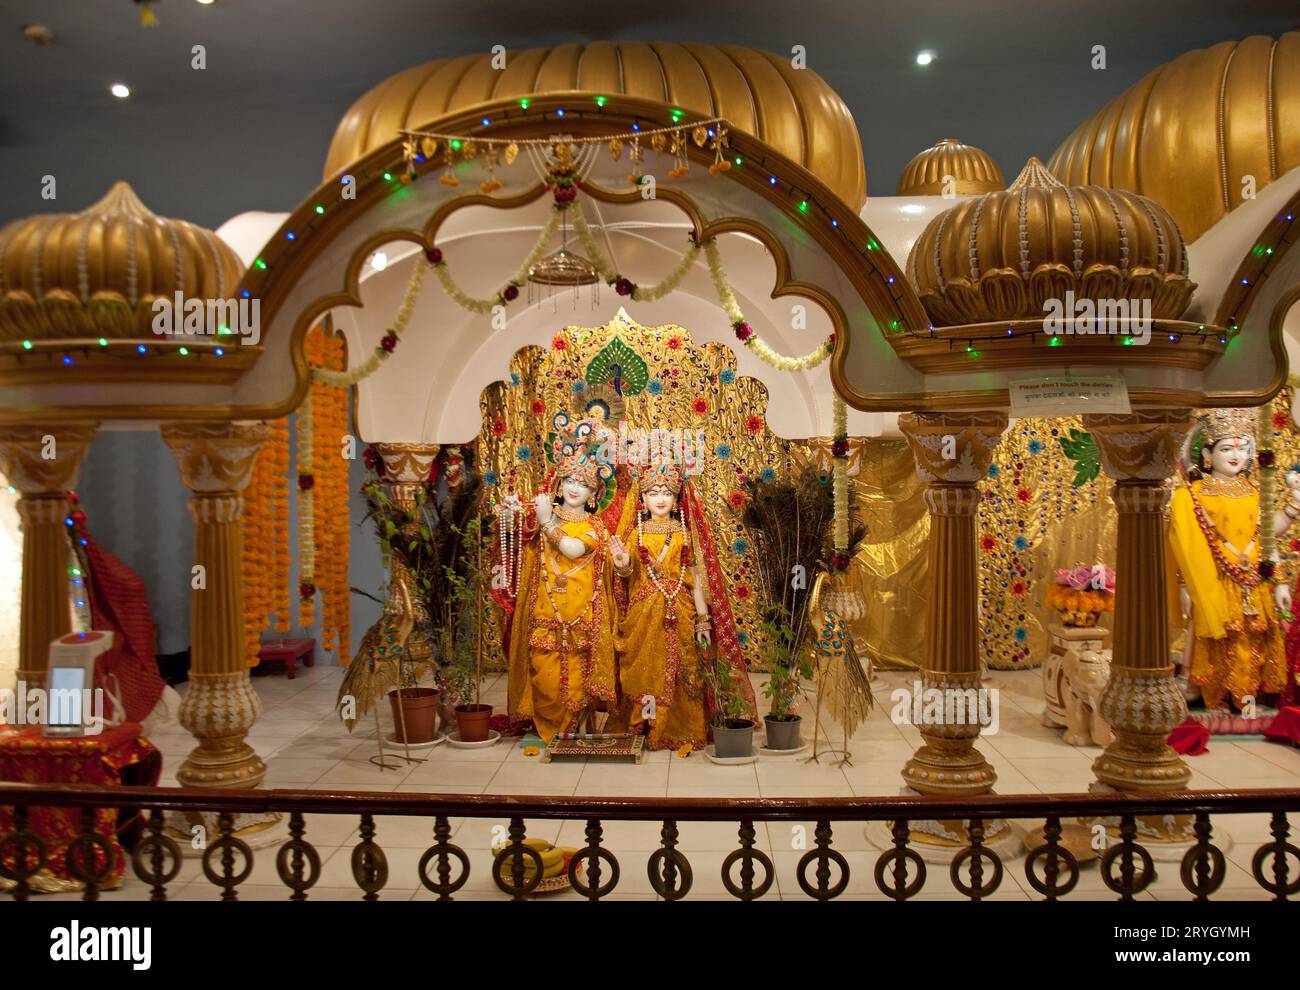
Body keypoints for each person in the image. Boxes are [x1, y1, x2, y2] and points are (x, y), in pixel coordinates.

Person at [1167, 408, 1298, 711]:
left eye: (1242, 448)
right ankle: (1211, 697)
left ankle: (1246, 700)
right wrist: (1187, 586)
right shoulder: (1193, 495)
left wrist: (1279, 583)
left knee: (1252, 643)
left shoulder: (1254, 491)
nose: (1235, 455)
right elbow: (1185, 548)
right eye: (1226, 448)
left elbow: (1267, 537)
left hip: (1253, 582)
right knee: (1216, 640)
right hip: (1213, 581)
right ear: (1208, 455)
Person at [499, 414, 619, 741]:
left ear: (594, 494)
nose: (574, 488)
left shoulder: (595, 528)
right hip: (545, 611)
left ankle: (574, 729)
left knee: (578, 675)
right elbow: (518, 538)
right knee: (544, 672)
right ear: (559, 484)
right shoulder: (542, 519)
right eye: (569, 481)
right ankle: (547, 729)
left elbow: (571, 548)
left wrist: (545, 521)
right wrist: (511, 514)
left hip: (581, 615)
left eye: (583, 484)